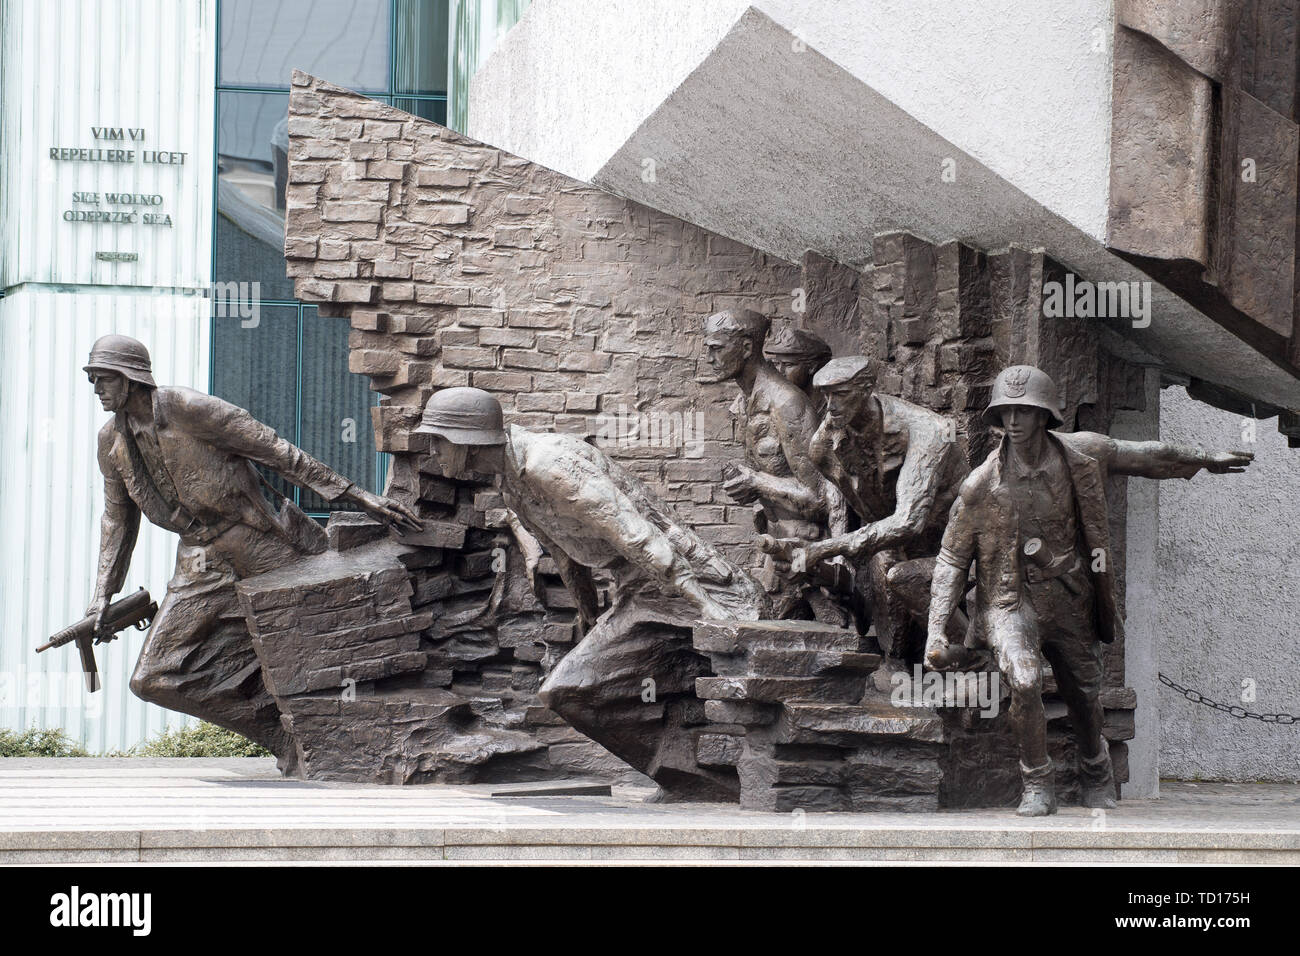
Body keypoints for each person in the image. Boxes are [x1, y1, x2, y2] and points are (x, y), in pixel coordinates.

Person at [926, 365, 1253, 815]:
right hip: (1008, 602)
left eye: (1025, 411)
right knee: (1023, 680)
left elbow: (1146, 455)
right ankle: (1037, 781)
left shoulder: (1082, 455)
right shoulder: (980, 487)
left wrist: (1204, 458)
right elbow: (950, 560)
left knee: (1083, 698)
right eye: (1007, 412)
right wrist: (935, 630)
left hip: (1070, 596)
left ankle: (1095, 768)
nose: (1015, 421)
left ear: (1045, 416)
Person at [83, 334, 419, 772]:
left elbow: (278, 452)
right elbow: (117, 521)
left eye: (103, 379)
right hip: (199, 559)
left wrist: (357, 497)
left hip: (262, 543)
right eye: (92, 379)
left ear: (131, 379)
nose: (96, 389)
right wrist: (100, 598)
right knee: (154, 678)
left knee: (312, 643)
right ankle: (284, 734)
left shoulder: (191, 409)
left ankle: (353, 734)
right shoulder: (111, 442)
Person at [414, 386, 767, 800]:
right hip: (639, 589)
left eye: (438, 441)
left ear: (467, 441)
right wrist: (587, 617)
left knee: (568, 690)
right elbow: (565, 556)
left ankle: (708, 780)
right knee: (569, 691)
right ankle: (699, 776)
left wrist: (708, 608)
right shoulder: (510, 481)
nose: (434, 453)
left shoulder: (549, 464)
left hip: (679, 583)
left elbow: (635, 533)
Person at [760, 355, 971, 668]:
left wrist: (822, 549)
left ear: (868, 389)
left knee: (908, 583)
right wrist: (832, 563)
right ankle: (904, 668)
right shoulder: (825, 444)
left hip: (957, 540)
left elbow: (909, 521)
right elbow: (846, 503)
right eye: (827, 395)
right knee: (892, 624)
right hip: (889, 541)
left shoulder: (930, 430)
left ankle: (972, 663)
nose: (830, 406)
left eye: (841, 395)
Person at [699, 309, 848, 622]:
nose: (709, 358)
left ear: (745, 348)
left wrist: (755, 481)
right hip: (776, 548)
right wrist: (749, 488)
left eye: (716, 348)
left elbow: (821, 499)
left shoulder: (787, 403)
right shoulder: (746, 402)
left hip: (807, 554)